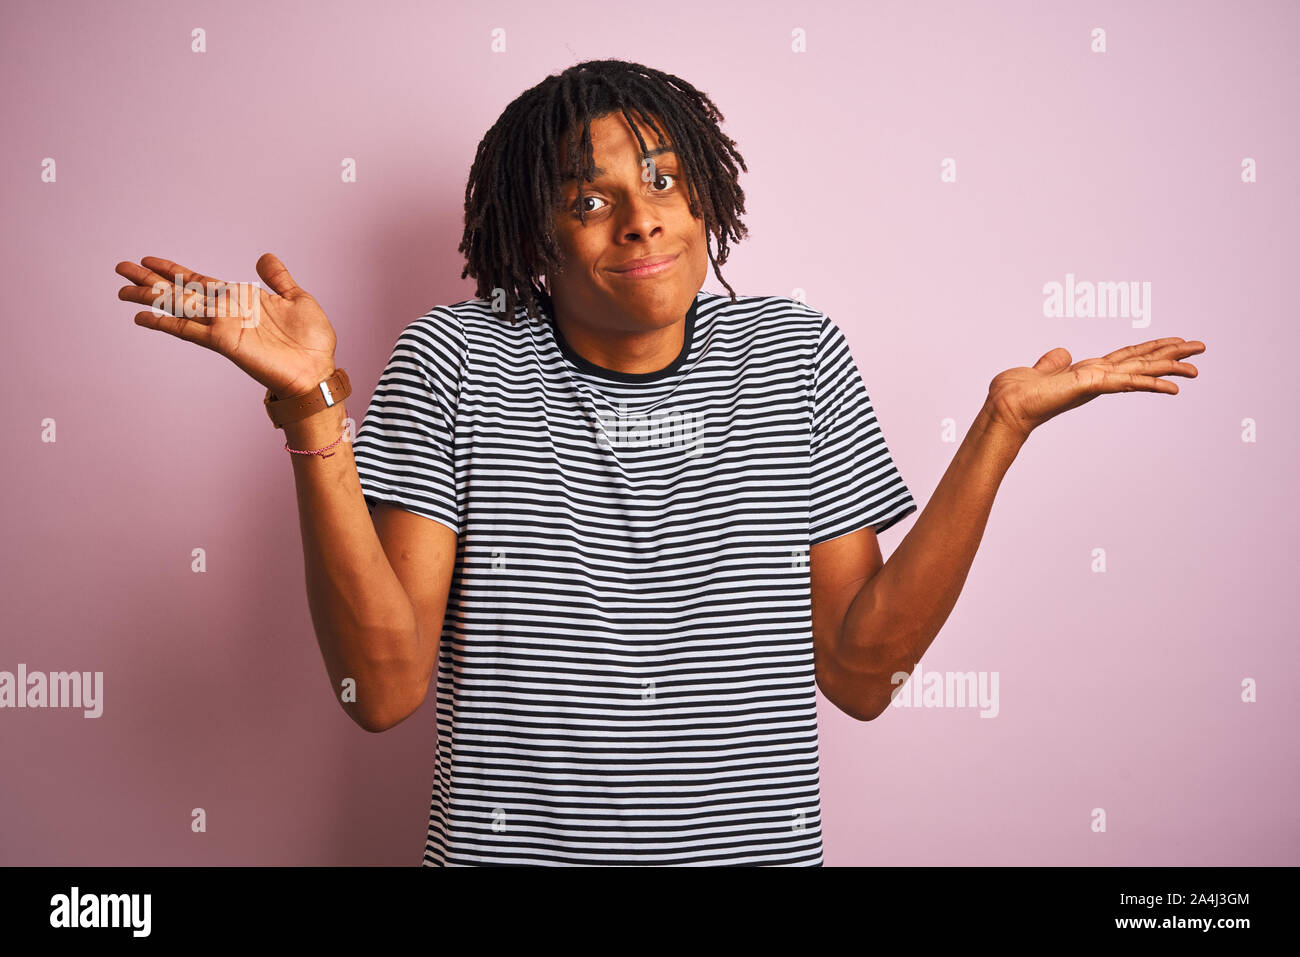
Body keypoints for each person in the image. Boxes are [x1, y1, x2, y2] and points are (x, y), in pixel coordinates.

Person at [115, 59, 1204, 867]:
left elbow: (861, 676)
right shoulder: (456, 359)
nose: (640, 222)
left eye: (664, 181)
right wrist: (308, 405)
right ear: (533, 240)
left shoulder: (794, 353)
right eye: (587, 201)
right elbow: (381, 691)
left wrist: (999, 429)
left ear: (705, 199)